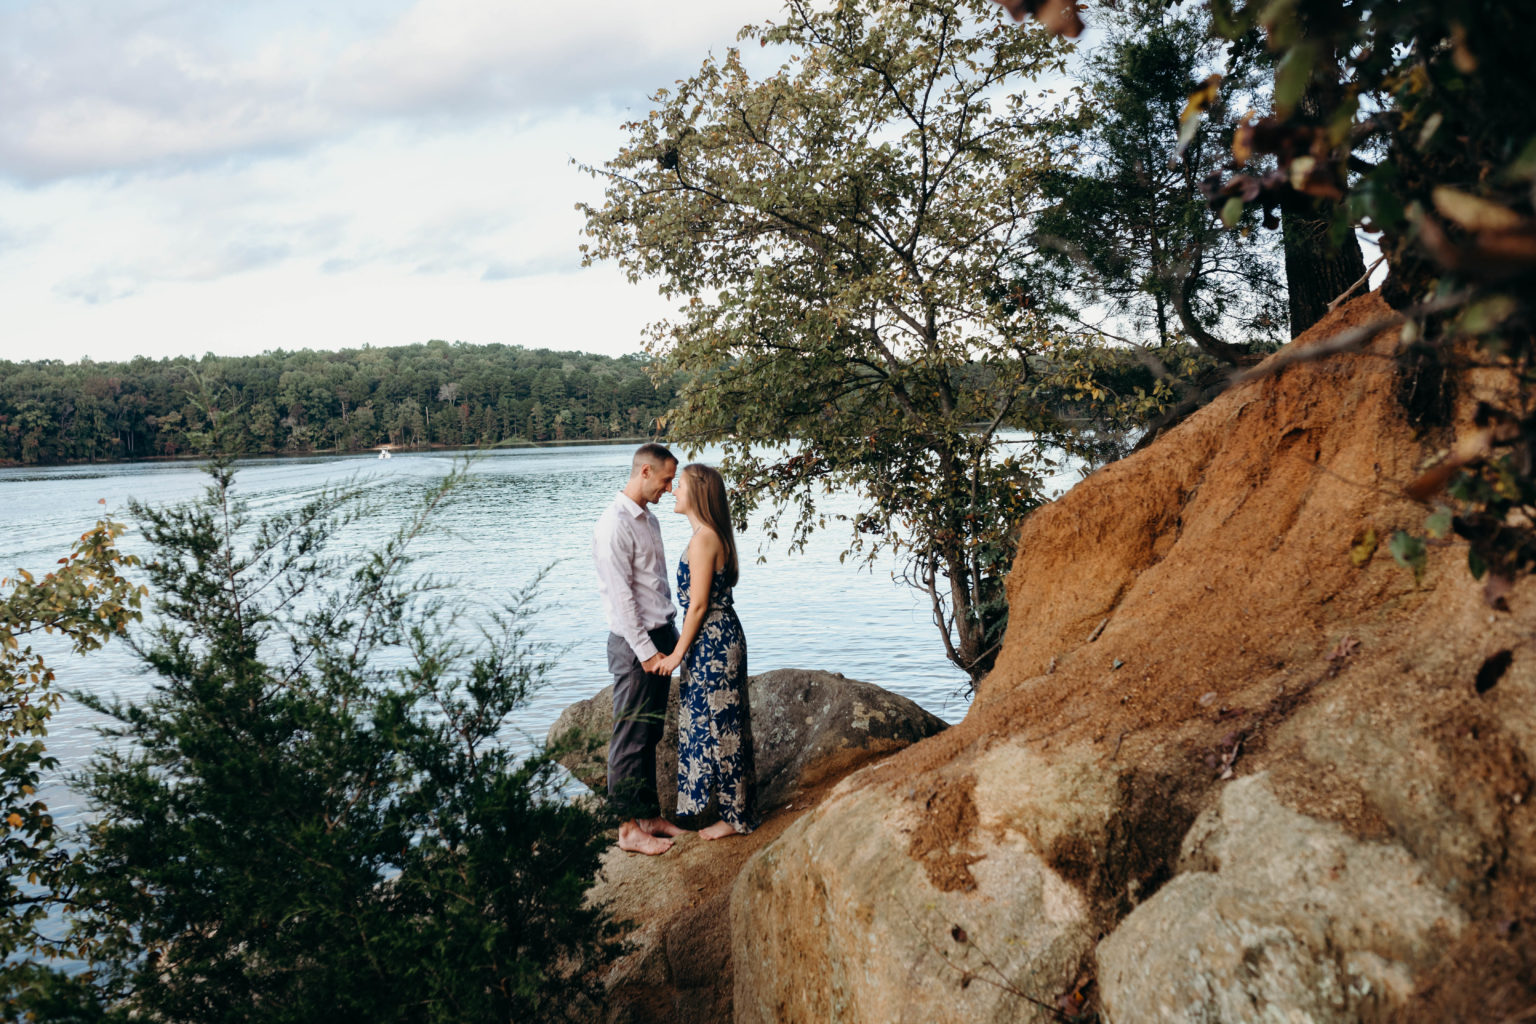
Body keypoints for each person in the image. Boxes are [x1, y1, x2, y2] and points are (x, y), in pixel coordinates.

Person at [593, 443, 691, 855]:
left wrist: (668, 639)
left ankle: (649, 816)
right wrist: (648, 653)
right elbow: (622, 600)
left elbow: (652, 586)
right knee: (629, 737)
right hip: (637, 647)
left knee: (650, 733)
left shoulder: (647, 519)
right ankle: (628, 830)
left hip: (661, 633)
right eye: (667, 480)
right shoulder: (614, 524)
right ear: (645, 472)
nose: (670, 489)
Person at [657, 463, 757, 839]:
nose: (672, 491)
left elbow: (697, 605)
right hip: (714, 637)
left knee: (723, 725)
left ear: (698, 492)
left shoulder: (704, 539)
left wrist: (676, 655)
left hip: (712, 640)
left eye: (678, 485)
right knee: (717, 722)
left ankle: (736, 816)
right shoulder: (707, 535)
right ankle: (732, 809)